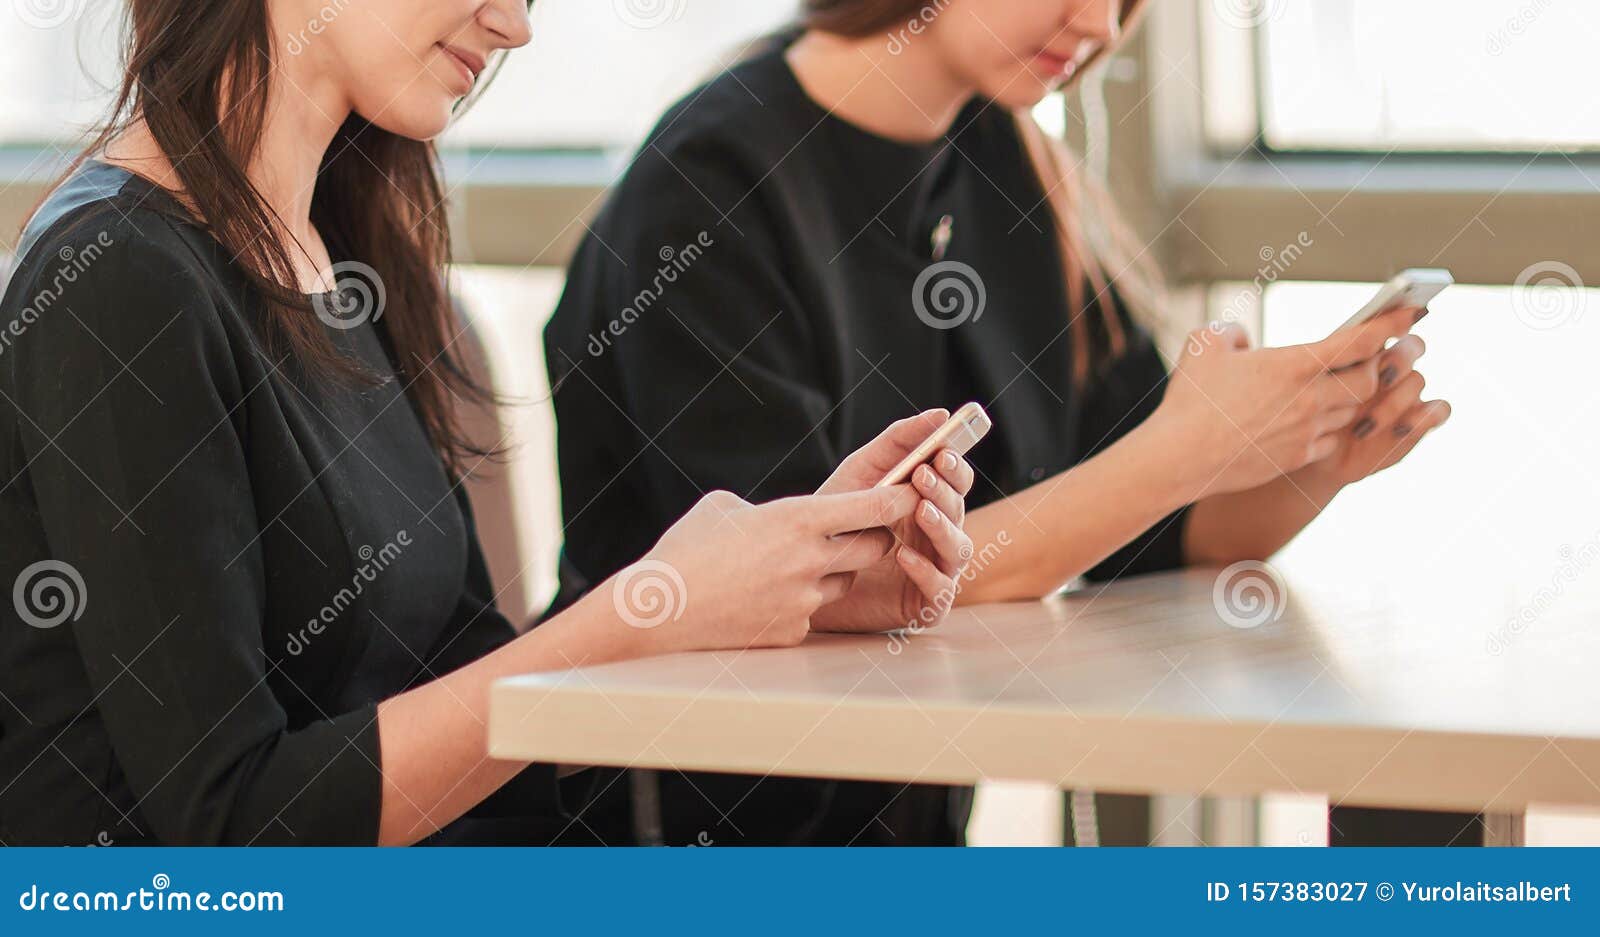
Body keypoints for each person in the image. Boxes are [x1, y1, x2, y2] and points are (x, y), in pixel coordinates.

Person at [0, 0, 975, 846]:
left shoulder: (344, 268)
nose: (515, 26)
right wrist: (654, 607)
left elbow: (477, 691)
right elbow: (239, 829)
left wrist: (788, 580)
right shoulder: (119, 280)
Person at [543, 0, 1451, 845]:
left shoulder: (1004, 158)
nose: (1099, 23)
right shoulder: (710, 185)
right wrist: (1181, 454)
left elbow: (1149, 533)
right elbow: (823, 591)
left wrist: (1314, 454)